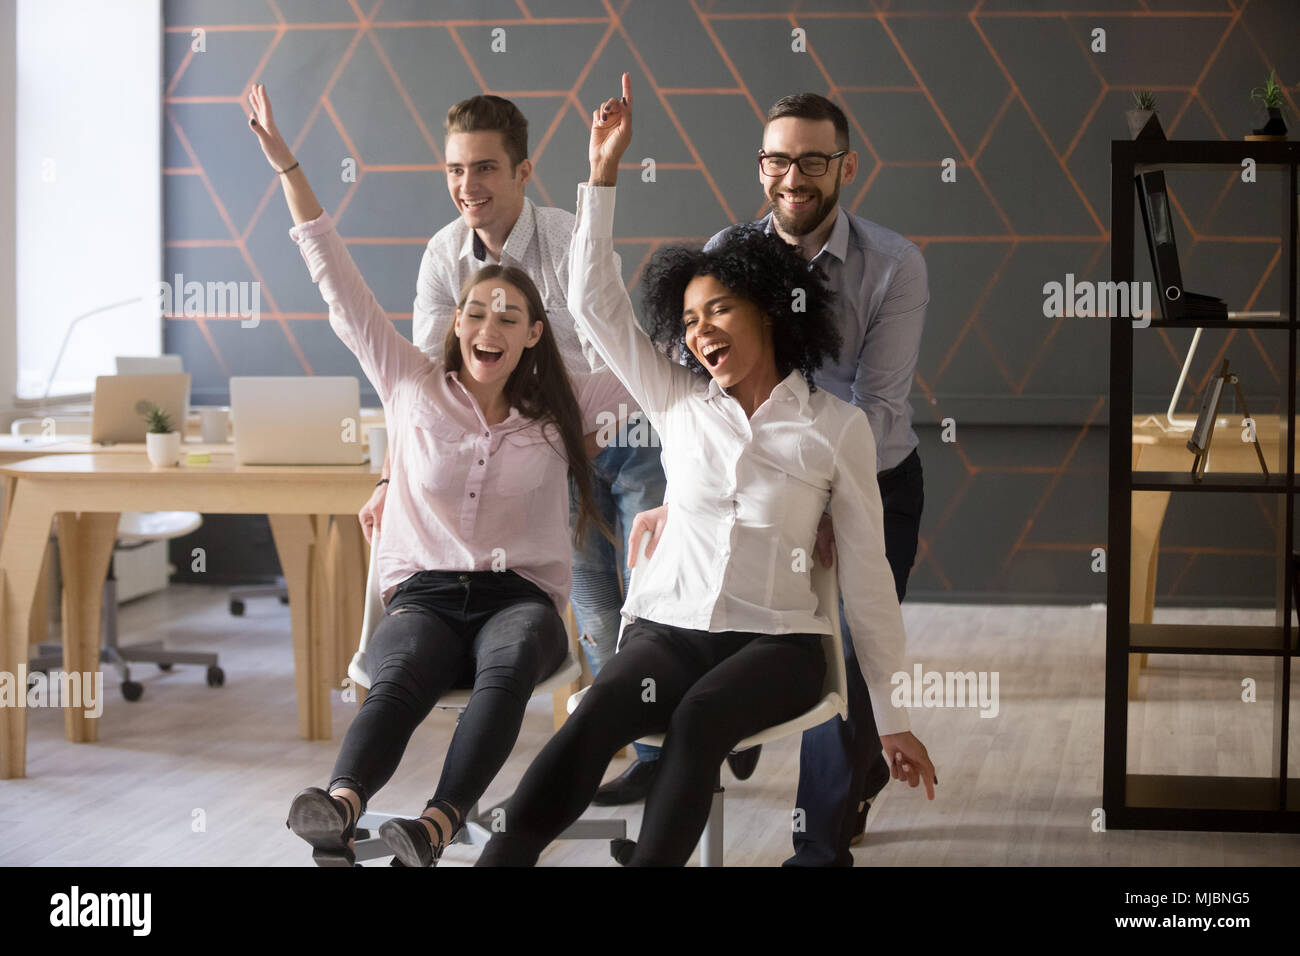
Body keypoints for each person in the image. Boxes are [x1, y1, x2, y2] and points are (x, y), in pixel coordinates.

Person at [476, 75, 935, 867]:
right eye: (688, 321)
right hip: (673, 630)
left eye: (718, 310)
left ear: (767, 307)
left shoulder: (838, 428)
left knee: (697, 722)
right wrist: (603, 172)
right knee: (600, 709)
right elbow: (592, 303)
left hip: (780, 643)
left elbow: (867, 584)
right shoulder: (679, 401)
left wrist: (892, 715)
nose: (700, 332)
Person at [245, 84, 631, 867]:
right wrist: (288, 164)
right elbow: (337, 281)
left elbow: (627, 341)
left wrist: (604, 178)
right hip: (426, 585)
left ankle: (438, 822)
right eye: (475, 314)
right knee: (401, 668)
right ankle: (342, 803)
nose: (487, 327)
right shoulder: (417, 381)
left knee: (514, 658)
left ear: (533, 337)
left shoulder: (561, 405)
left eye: (508, 318)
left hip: (520, 589)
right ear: (457, 322)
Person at [621, 93, 928, 867]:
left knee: (847, 655)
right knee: (728, 627)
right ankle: (703, 782)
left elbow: (881, 404)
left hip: (869, 471)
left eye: (813, 160)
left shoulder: (894, 263)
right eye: (777, 159)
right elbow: (700, 397)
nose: (794, 176)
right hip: (763, 479)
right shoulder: (730, 246)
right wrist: (685, 496)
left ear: (845, 167)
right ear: (761, 166)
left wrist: (818, 482)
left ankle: (818, 845)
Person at [354, 94, 667, 710]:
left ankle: (684, 723)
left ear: (523, 172)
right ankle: (647, 757)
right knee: (598, 610)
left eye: (485, 168)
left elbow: (613, 354)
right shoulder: (444, 256)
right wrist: (392, 477)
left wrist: (575, 442)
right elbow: (423, 388)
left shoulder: (565, 237)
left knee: (650, 595)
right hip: (545, 448)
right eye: (455, 169)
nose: (468, 185)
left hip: (622, 435)